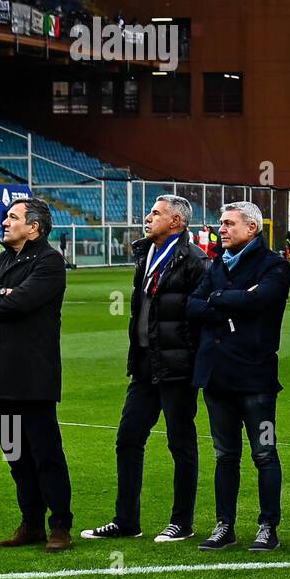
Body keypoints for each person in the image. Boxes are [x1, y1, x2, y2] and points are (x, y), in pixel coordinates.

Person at [80, 196, 210, 543]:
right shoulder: (146, 255)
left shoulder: (195, 261)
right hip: (144, 366)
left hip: (177, 368)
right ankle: (127, 521)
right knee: (128, 439)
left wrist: (190, 361)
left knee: (180, 443)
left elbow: (202, 317)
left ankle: (181, 522)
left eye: (156, 213)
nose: (147, 217)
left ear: (177, 222)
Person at [0, 198, 71, 551]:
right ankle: (32, 523)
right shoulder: (4, 258)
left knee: (45, 452)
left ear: (34, 227)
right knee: (15, 453)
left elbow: (17, 304)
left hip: (33, 374)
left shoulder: (49, 261)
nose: (5, 222)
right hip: (0, 373)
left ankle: (60, 526)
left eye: (12, 217)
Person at [187, 202, 290, 553]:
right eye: (221, 224)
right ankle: (224, 525)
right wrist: (230, 302)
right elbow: (193, 306)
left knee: (264, 453)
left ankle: (268, 526)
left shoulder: (274, 264)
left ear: (252, 228)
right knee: (225, 455)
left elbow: (261, 301)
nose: (222, 229)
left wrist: (218, 301)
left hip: (255, 378)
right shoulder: (217, 263)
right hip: (216, 377)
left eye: (229, 223)